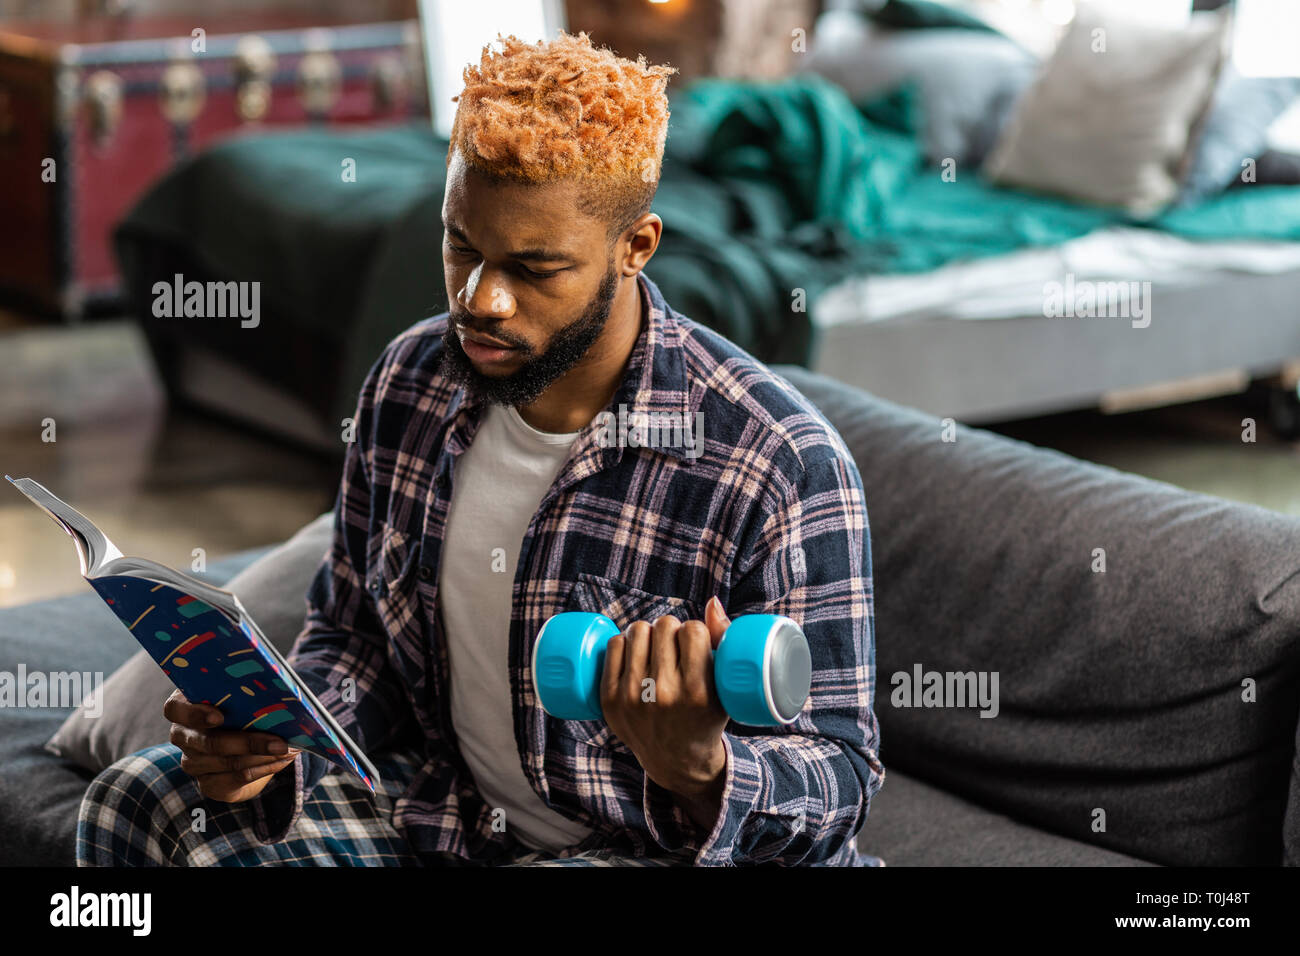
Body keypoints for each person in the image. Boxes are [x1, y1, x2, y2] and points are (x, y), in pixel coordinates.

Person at [77, 29, 884, 867]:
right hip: (451, 820)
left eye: (535, 270)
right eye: (462, 245)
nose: (481, 299)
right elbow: (353, 639)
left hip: (647, 849)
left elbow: (839, 781)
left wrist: (702, 769)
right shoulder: (410, 381)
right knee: (139, 800)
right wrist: (277, 745)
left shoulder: (778, 463)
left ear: (634, 248)